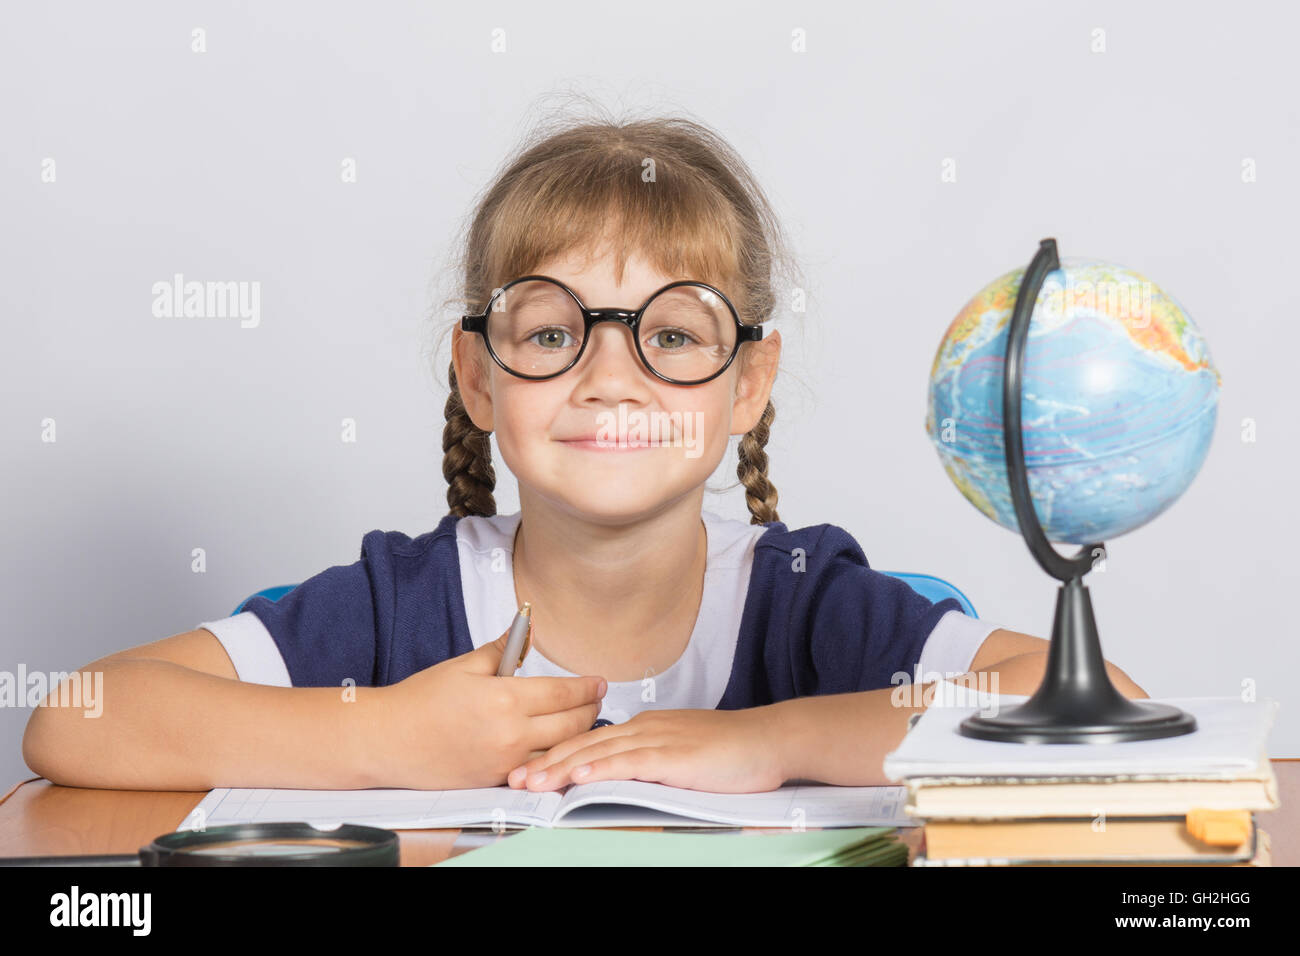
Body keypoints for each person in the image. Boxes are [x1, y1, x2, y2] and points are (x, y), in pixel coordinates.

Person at [22, 108, 1147, 794]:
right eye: (553, 331)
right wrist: (387, 734)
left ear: (747, 385)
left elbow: (1088, 696)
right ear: (479, 374)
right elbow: (74, 713)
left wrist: (774, 739)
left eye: (671, 334)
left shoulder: (802, 596)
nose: (611, 378)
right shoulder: (399, 600)